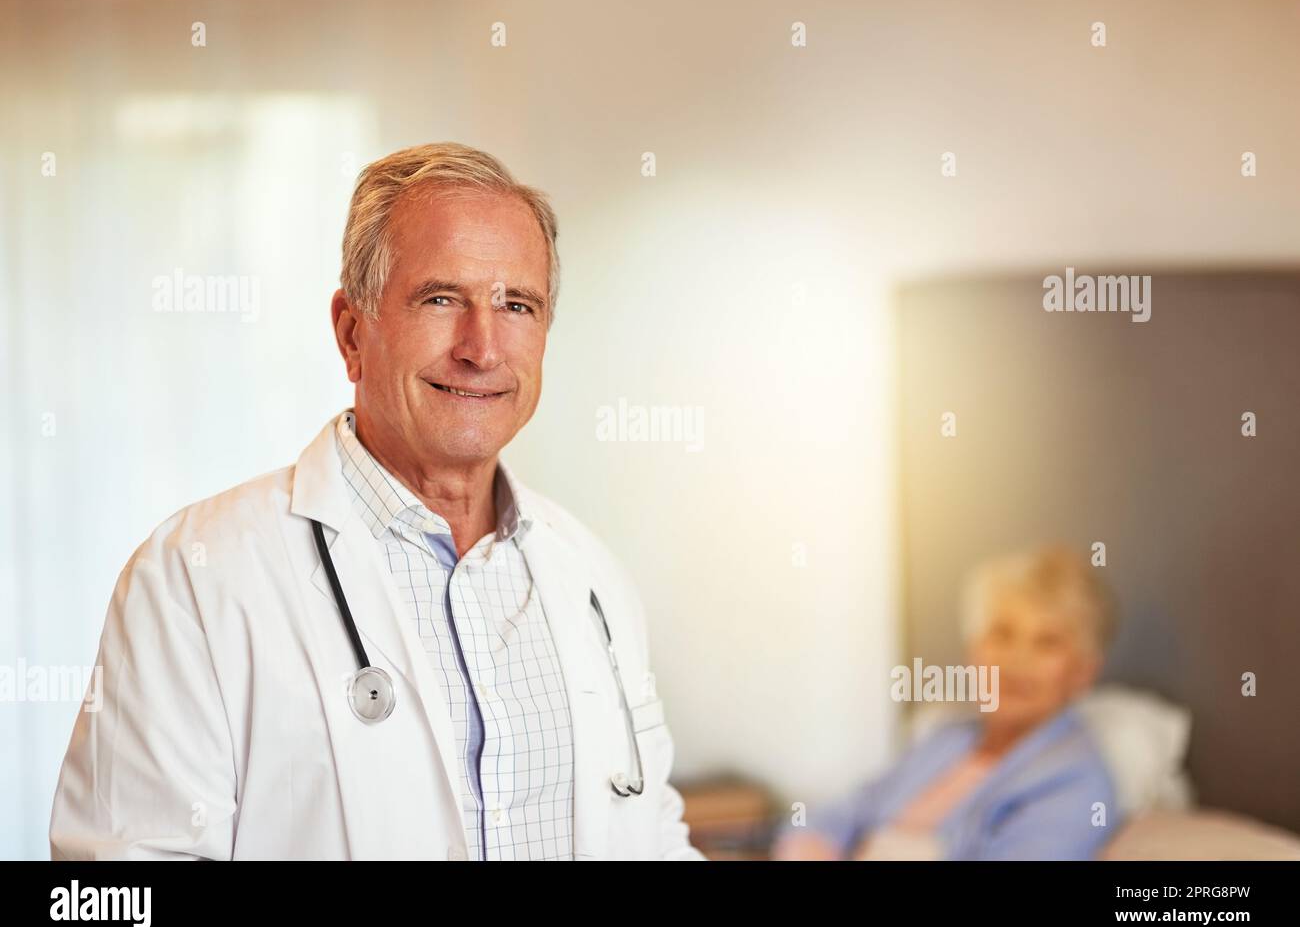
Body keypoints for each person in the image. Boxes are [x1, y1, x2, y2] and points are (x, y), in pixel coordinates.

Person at [50, 142, 702, 861]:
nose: (482, 347)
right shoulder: (193, 578)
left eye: (517, 304)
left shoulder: (589, 575)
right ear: (352, 332)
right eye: (441, 298)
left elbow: (653, 839)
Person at [774, 546, 1120, 860]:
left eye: (1047, 643)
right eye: (1001, 634)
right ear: (974, 648)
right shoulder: (946, 737)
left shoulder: (1074, 780)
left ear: (1083, 672)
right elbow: (835, 816)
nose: (1015, 661)